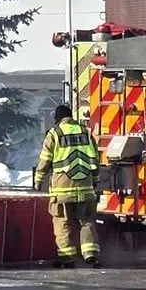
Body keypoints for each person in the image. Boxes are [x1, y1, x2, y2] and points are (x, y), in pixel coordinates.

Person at [33, 103, 100, 267]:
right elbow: (94, 159)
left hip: (63, 189)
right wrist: (94, 180)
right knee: (86, 221)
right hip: (85, 187)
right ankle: (90, 253)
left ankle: (67, 257)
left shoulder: (55, 134)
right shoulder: (86, 132)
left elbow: (45, 160)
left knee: (63, 222)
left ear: (57, 118)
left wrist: (38, 180)